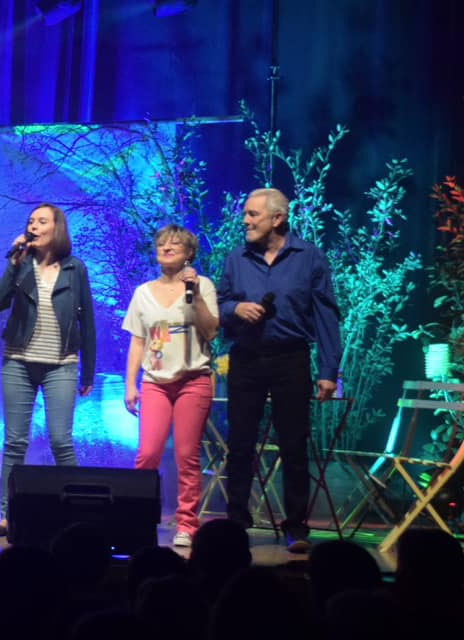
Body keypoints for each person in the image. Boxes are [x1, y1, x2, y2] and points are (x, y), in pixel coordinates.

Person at [217, 188, 342, 553]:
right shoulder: (236, 258)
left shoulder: (309, 257)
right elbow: (221, 300)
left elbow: (326, 315)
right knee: (239, 444)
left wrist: (328, 370)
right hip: (246, 358)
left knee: (294, 445)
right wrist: (235, 310)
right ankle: (236, 521)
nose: (245, 220)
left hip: (291, 359)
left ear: (278, 218)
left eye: (253, 214)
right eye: (245, 213)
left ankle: (296, 526)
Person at [0, 203, 95, 537]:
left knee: (61, 440)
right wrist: (12, 263)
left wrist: (89, 371)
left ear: (57, 228)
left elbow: (87, 321)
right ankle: (9, 515)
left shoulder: (74, 269)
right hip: (18, 361)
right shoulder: (21, 264)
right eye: (31, 221)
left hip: (61, 364)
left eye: (42, 221)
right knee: (15, 442)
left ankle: (77, 512)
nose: (34, 225)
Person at [121, 224, 218, 547]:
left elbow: (211, 331)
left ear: (190, 253)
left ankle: (188, 523)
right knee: (147, 453)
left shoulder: (202, 285)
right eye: (162, 244)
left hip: (193, 379)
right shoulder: (143, 292)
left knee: (187, 454)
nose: (166, 248)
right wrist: (130, 384)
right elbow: (138, 341)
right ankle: (137, 518)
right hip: (155, 382)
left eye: (175, 244)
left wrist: (196, 298)